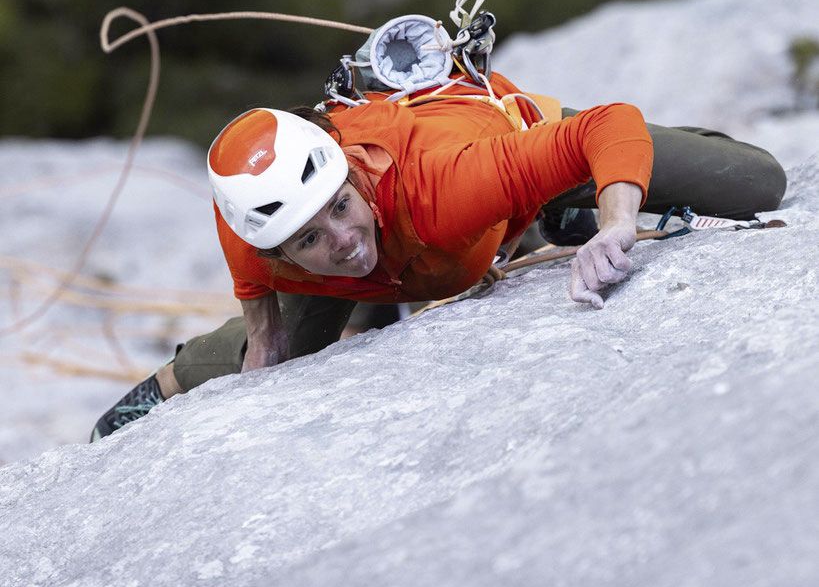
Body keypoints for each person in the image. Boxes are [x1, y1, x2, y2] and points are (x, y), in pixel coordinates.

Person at [90, 68, 787, 441]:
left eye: (340, 206)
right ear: (276, 245)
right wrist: (264, 334)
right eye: (309, 238)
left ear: (351, 175)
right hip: (397, 265)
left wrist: (615, 223)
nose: (341, 240)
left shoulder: (443, 185)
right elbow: (244, 247)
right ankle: (147, 401)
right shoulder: (258, 229)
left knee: (754, 182)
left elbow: (610, 124)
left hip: (513, 156)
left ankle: (555, 212)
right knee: (271, 358)